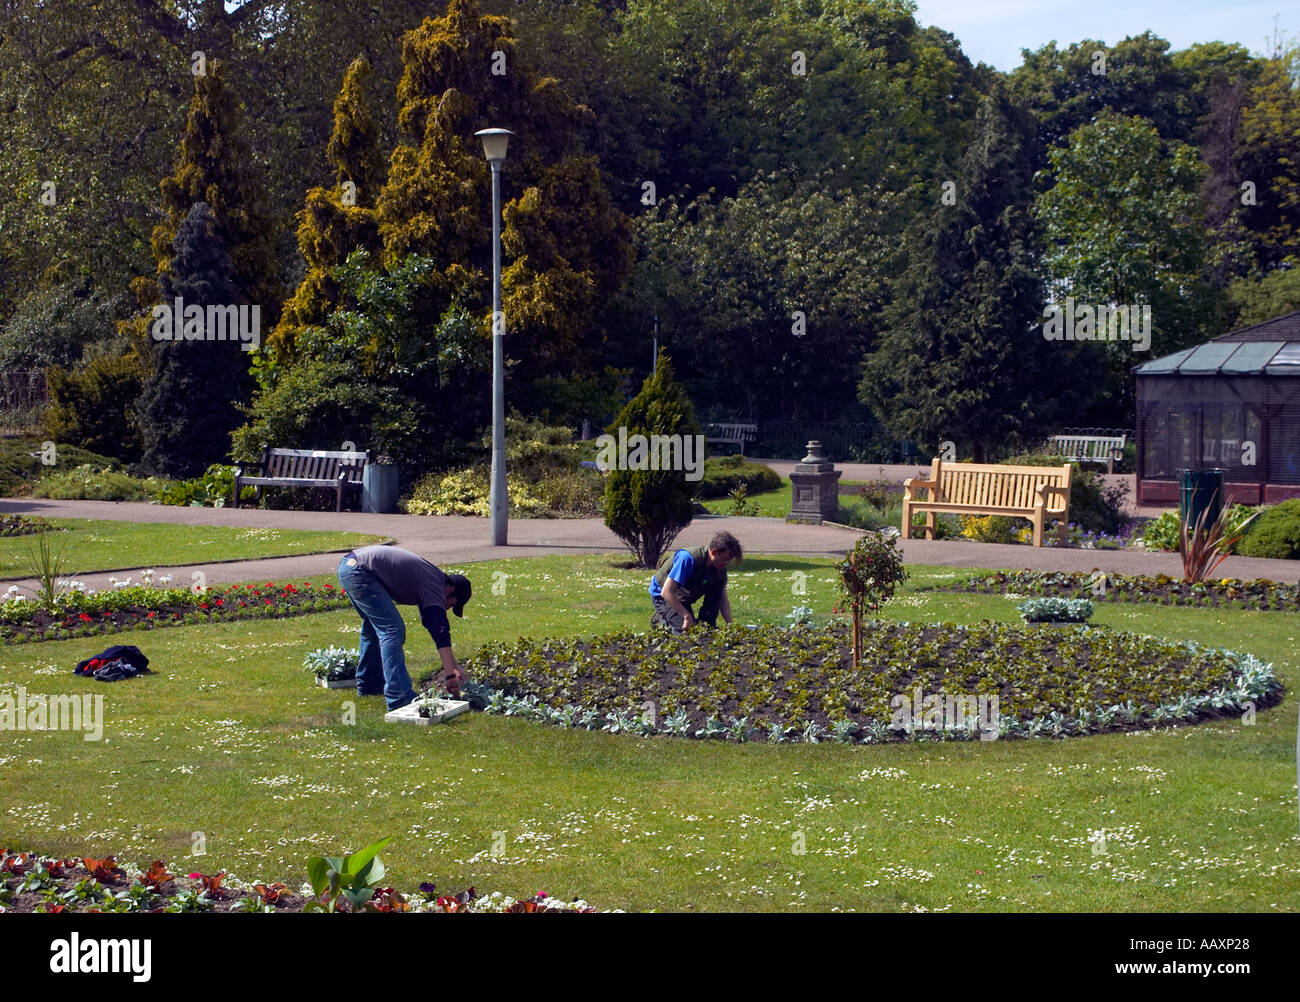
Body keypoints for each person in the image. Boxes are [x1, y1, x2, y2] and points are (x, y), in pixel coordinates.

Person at [335, 545, 472, 710]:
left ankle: (369, 685)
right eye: (452, 604)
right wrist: (450, 674)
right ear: (450, 590)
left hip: (350, 565)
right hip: (360, 570)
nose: (448, 609)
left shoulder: (431, 579)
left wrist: (453, 666)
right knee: (392, 630)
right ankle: (399, 697)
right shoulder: (435, 584)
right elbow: (440, 629)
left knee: (374, 627)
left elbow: (435, 628)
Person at [648, 530, 742, 634]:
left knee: (707, 628)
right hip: (663, 596)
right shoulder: (688, 558)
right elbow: (666, 592)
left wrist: (731, 626)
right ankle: (664, 620)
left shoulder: (719, 567)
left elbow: (722, 599)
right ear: (714, 552)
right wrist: (686, 616)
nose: (727, 563)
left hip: (683, 595)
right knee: (685, 629)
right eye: (725, 559)